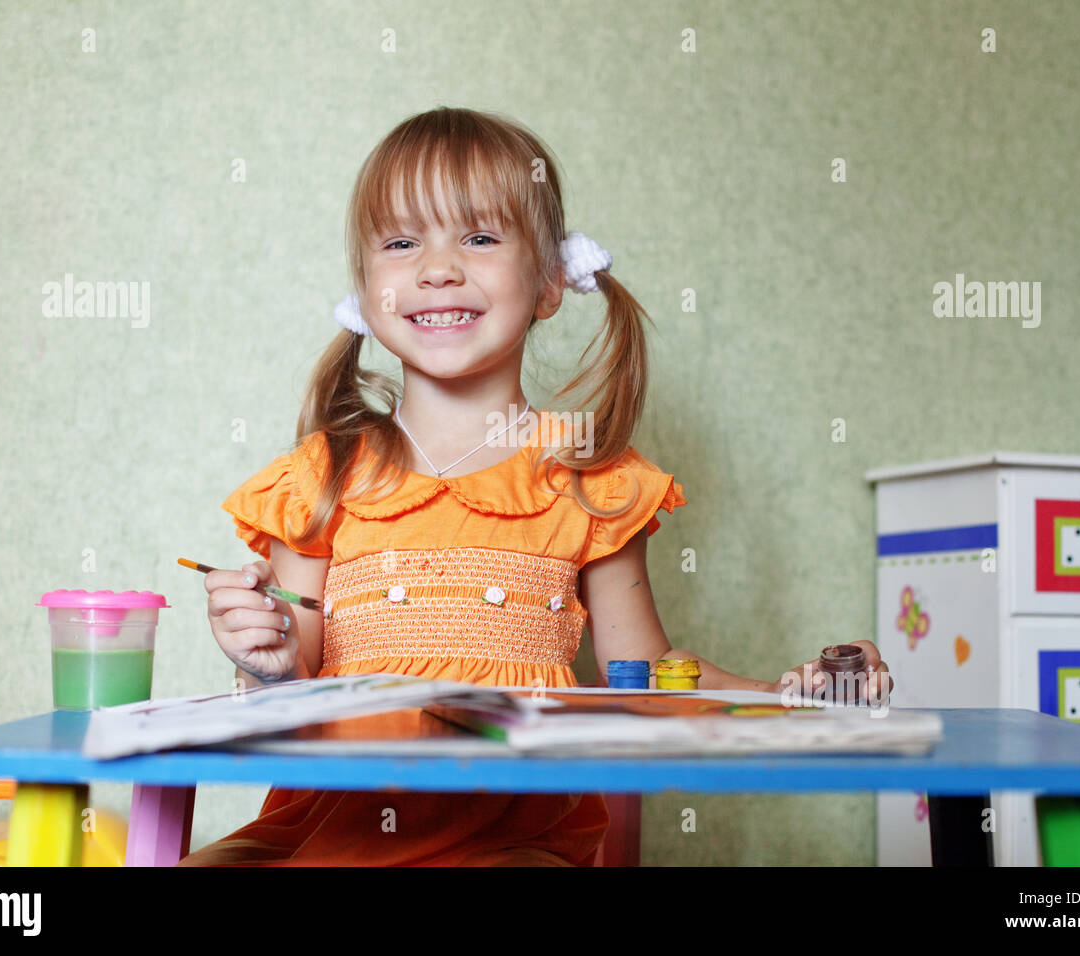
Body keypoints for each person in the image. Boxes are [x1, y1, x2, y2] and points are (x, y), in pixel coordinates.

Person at [178, 106, 890, 866]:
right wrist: (266, 658)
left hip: (513, 835)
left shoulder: (589, 480)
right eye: (401, 241)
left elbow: (646, 678)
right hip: (325, 825)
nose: (438, 266)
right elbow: (293, 679)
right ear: (366, 289)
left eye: (480, 237)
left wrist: (792, 696)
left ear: (551, 281)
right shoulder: (323, 478)